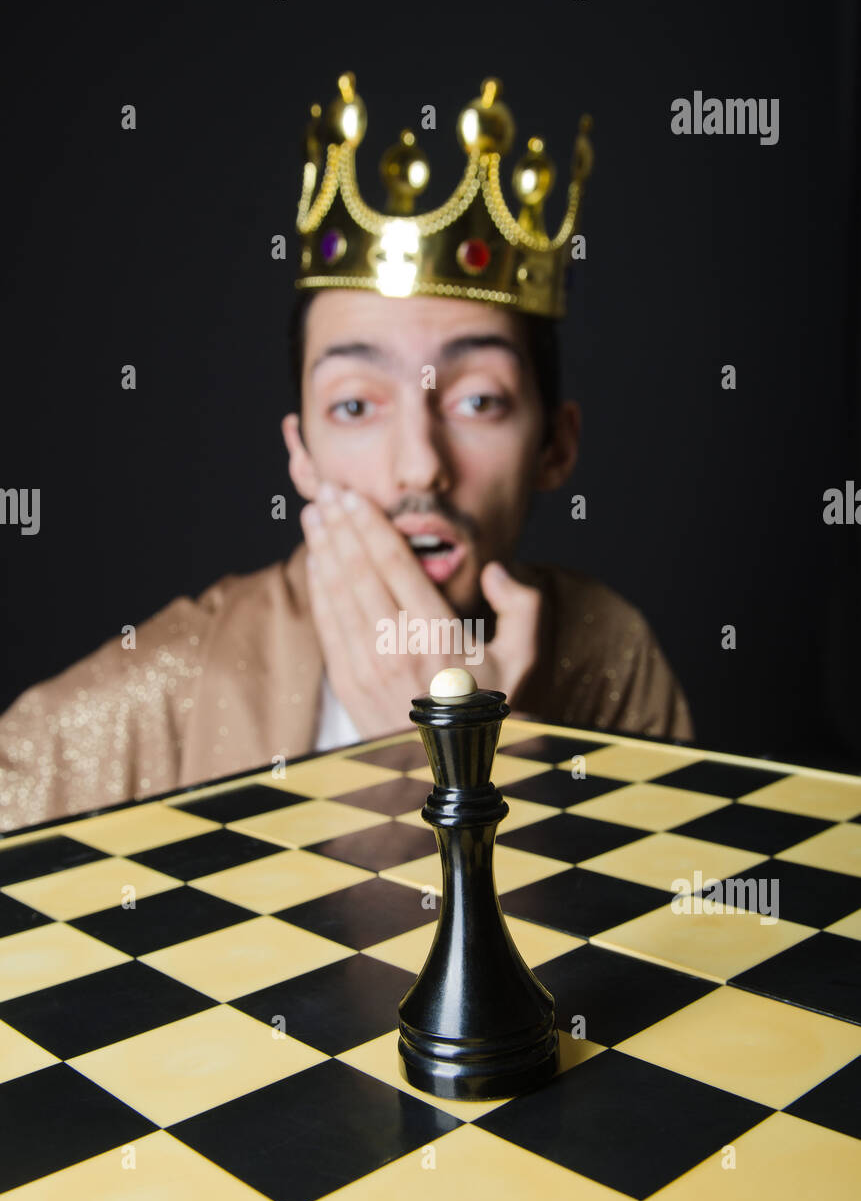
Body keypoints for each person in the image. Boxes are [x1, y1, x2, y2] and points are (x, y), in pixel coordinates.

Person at [0, 72, 692, 834]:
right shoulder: (161, 692)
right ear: (301, 454)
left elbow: (672, 940)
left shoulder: (607, 654)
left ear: (555, 446)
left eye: (476, 401)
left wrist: (468, 760)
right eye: (356, 405)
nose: (419, 466)